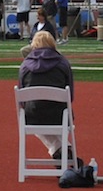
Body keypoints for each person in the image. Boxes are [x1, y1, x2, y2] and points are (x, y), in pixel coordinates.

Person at [17, 31, 75, 163]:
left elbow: (22, 99)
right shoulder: (63, 63)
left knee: (34, 112)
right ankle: (62, 149)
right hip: (59, 116)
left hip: (33, 116)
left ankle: (59, 149)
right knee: (57, 111)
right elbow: (70, 95)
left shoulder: (25, 66)